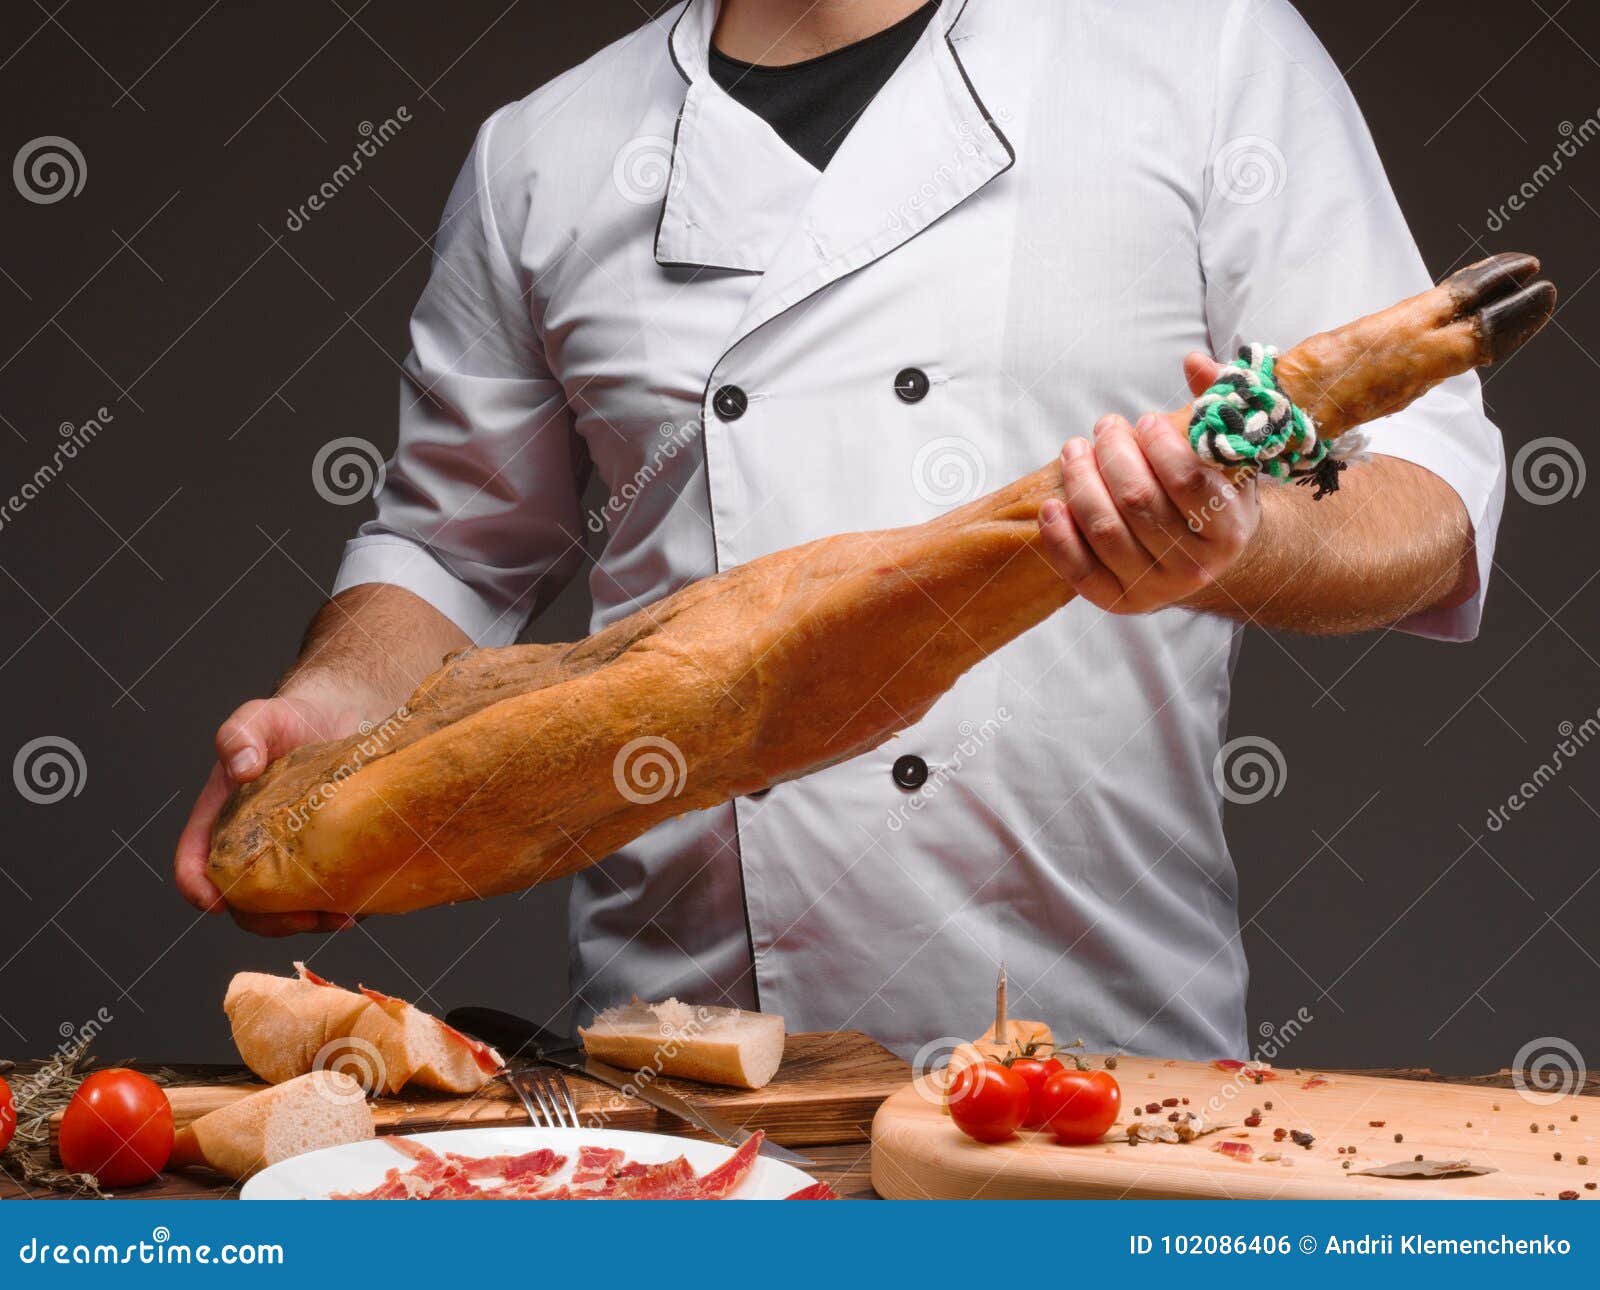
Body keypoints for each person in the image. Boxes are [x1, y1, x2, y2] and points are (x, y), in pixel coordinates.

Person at [174, 0, 1500, 1061]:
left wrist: (1233, 544)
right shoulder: (546, 154)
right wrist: (338, 696)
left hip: (1107, 1079)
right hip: (682, 1083)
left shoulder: (1202, 48)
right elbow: (453, 550)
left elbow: (1422, 495)